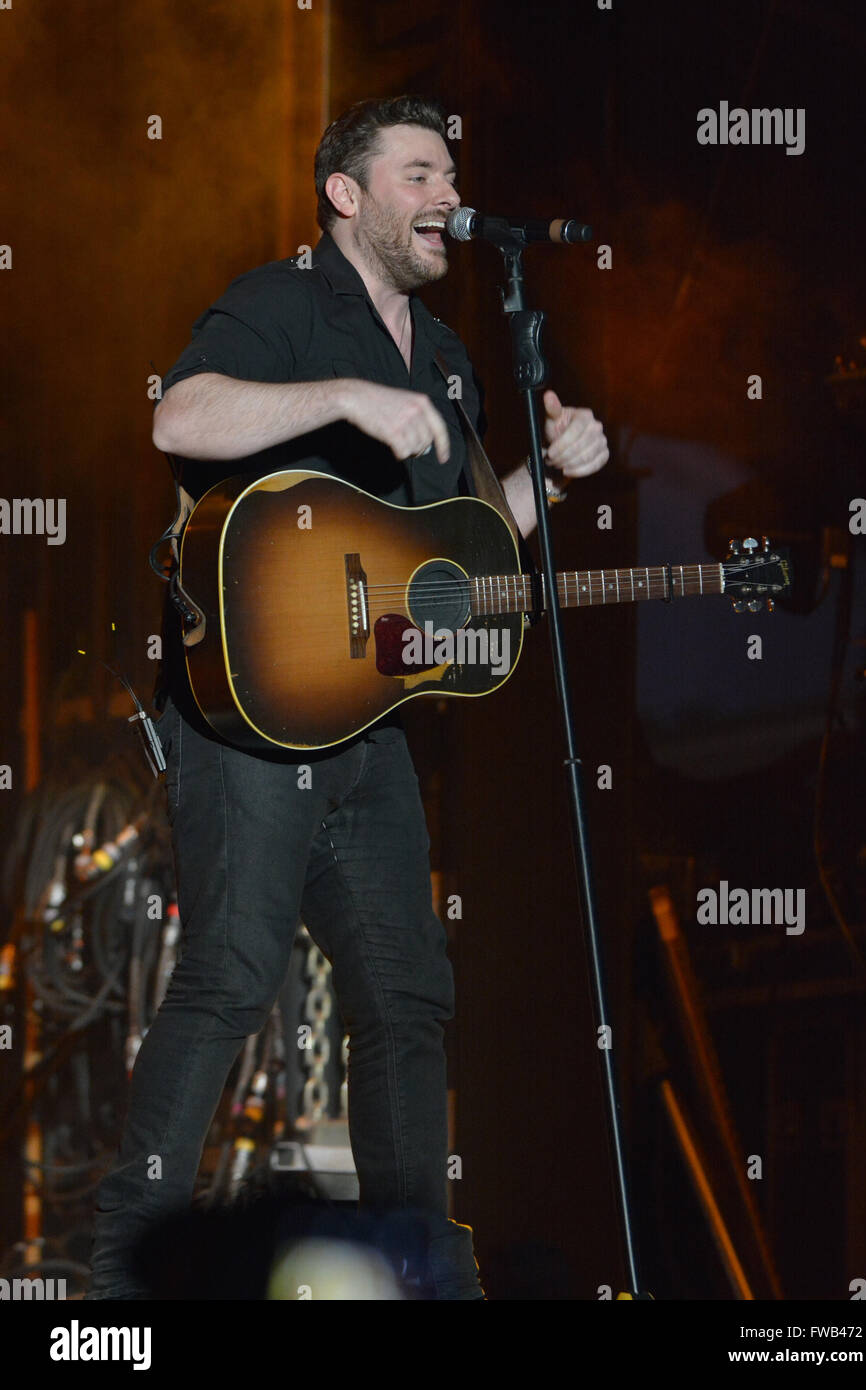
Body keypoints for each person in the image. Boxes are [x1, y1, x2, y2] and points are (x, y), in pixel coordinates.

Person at [85, 94, 609, 1301]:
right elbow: (180, 413)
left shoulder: (451, 359)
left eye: (451, 175)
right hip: (248, 712)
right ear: (348, 195)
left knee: (408, 992)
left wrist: (553, 472)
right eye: (419, 173)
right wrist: (338, 396)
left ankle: (417, 1267)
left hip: (367, 723)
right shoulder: (282, 302)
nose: (446, 198)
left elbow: (472, 554)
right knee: (229, 969)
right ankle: (121, 1280)